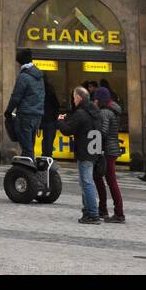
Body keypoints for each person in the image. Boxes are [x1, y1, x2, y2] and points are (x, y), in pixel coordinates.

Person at [57, 85, 104, 224]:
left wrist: (60, 121)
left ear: (78, 98)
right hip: (94, 151)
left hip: (85, 152)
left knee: (87, 183)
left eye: (73, 97)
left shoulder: (81, 113)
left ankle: (92, 213)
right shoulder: (95, 112)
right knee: (85, 182)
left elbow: (67, 130)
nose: (73, 100)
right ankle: (88, 211)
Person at [4, 48, 45, 160]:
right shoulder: (39, 76)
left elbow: (16, 96)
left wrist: (8, 111)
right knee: (30, 145)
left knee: (26, 148)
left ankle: (28, 172)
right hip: (37, 116)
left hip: (25, 115)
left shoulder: (23, 76)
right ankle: (29, 167)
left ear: (20, 62)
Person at [93, 87, 125, 221]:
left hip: (107, 150)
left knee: (110, 181)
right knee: (100, 177)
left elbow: (103, 132)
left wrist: (94, 136)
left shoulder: (105, 112)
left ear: (100, 100)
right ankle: (103, 209)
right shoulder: (113, 110)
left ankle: (118, 213)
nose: (94, 102)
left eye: (95, 99)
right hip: (111, 149)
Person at [40, 76, 60, 161]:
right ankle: (48, 156)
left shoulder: (40, 91)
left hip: (43, 118)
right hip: (51, 119)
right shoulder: (50, 91)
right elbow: (57, 105)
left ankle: (44, 155)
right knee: (49, 139)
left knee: (45, 139)